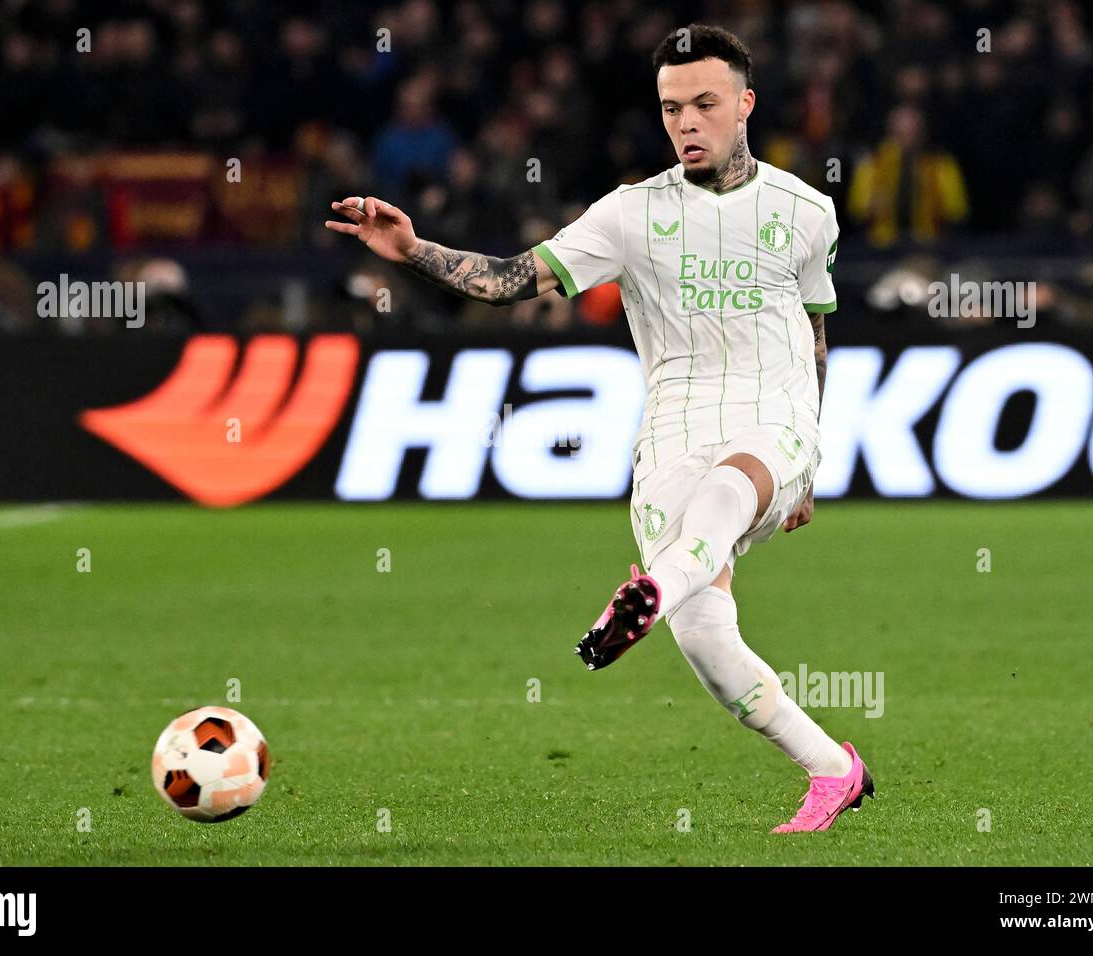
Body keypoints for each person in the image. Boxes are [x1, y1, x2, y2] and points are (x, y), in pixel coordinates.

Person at [325, 23, 872, 833]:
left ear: (746, 104)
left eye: (706, 104)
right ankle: (833, 768)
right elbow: (515, 279)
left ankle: (649, 591)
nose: (687, 122)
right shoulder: (630, 214)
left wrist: (811, 461)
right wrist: (410, 251)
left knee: (728, 490)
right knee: (707, 642)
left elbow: (817, 330)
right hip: (674, 428)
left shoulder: (805, 211)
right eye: (671, 108)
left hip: (773, 413)